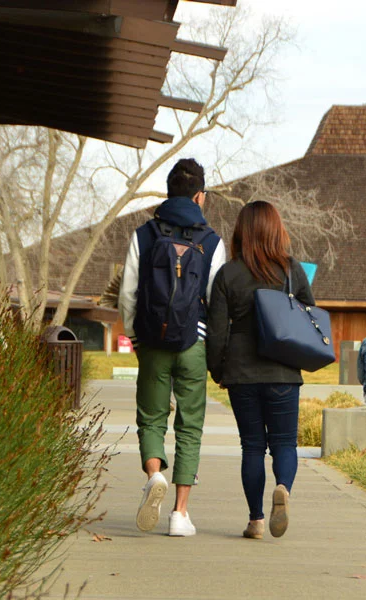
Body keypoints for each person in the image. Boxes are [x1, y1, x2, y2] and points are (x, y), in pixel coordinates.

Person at [118, 158, 227, 536]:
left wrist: (135, 338)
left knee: (150, 416)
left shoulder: (144, 235)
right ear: (200, 196)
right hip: (192, 343)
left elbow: (128, 294)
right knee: (190, 426)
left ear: (168, 193)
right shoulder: (212, 241)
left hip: (152, 341)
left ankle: (154, 475)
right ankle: (180, 515)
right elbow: (216, 302)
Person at [206, 201, 313, 540]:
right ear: (276, 231)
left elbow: (216, 330)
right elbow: (309, 318)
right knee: (284, 443)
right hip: (283, 369)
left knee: (252, 446)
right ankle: (283, 487)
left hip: (242, 372)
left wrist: (218, 370)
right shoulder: (293, 271)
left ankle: (256, 520)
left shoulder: (228, 274)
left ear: (241, 232)